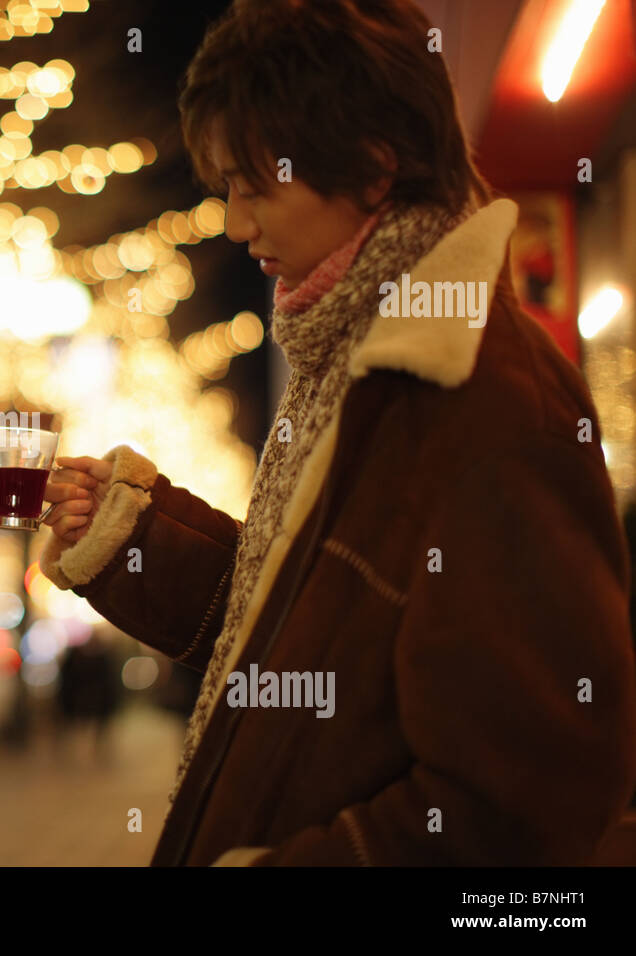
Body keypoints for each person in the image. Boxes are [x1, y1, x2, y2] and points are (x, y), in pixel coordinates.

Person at [40, 0, 636, 865]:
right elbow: (308, 648)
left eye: (258, 187)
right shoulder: (355, 351)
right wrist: (134, 536)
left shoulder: (483, 400)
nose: (238, 225)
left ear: (372, 166)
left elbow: (530, 798)